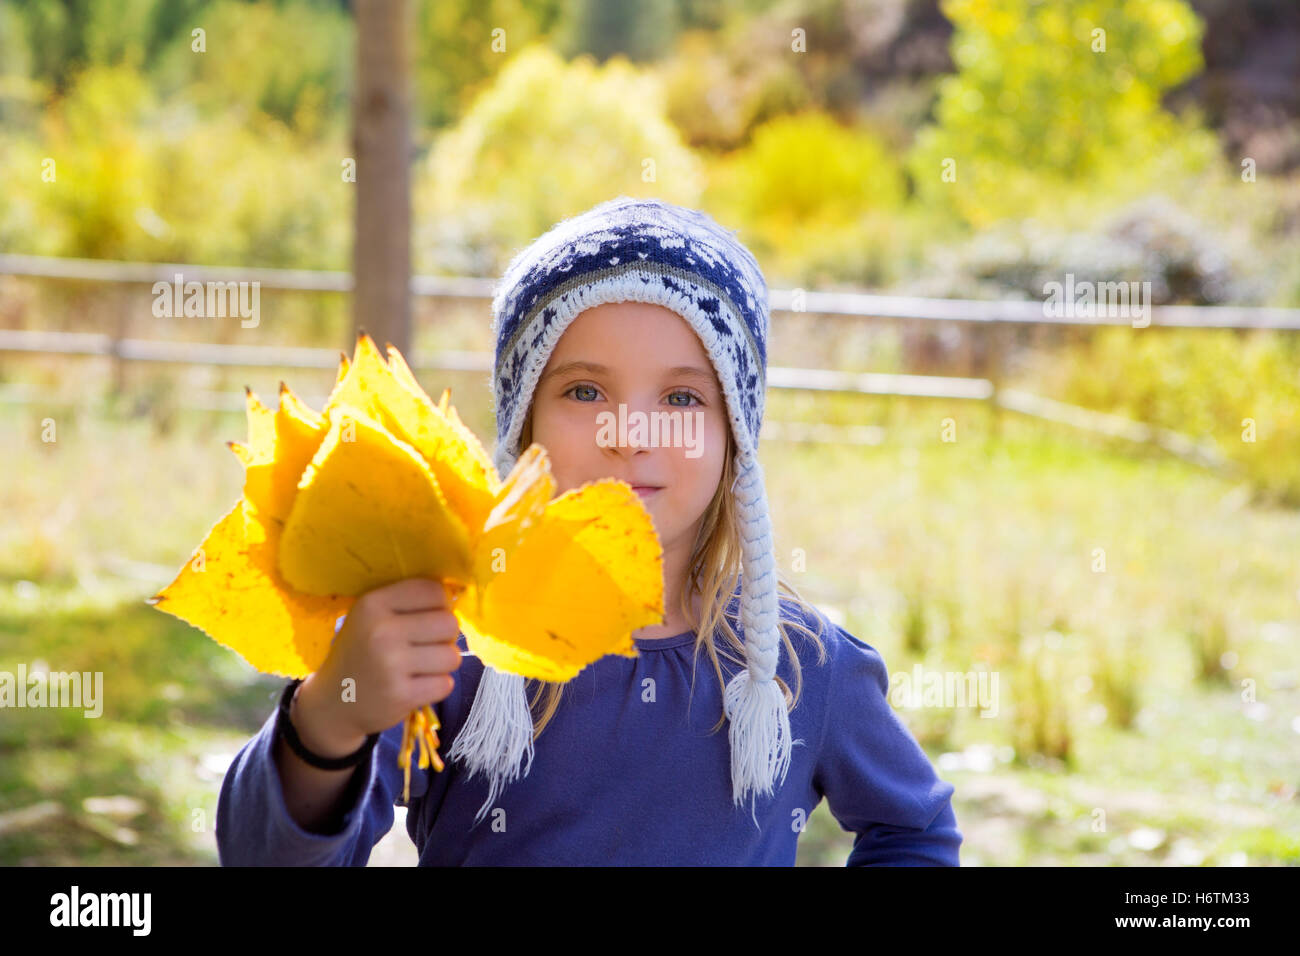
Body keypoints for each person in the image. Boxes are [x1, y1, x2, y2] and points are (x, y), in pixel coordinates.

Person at [215, 196, 962, 865]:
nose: (629, 432)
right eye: (584, 389)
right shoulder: (447, 647)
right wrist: (332, 715)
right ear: (522, 428)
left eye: (679, 396)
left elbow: (914, 830)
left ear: (734, 435)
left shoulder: (801, 669)